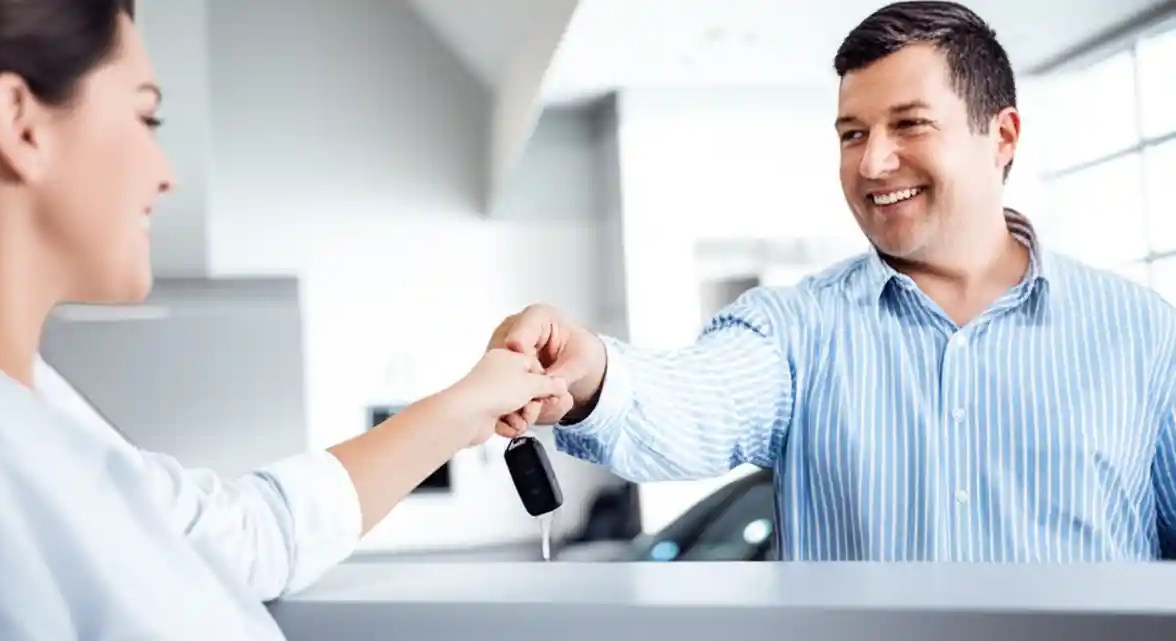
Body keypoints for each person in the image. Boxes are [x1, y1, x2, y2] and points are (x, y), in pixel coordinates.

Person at [0, 2, 568, 641]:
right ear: (21, 123)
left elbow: (248, 534)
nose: (166, 175)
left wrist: (466, 404)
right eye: (146, 118)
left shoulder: (24, 416)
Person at [489, 0, 1176, 562]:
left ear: (1001, 136)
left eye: (909, 124)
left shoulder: (1143, 333)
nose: (874, 162)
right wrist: (593, 374)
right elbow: (691, 399)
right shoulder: (798, 332)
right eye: (852, 133)